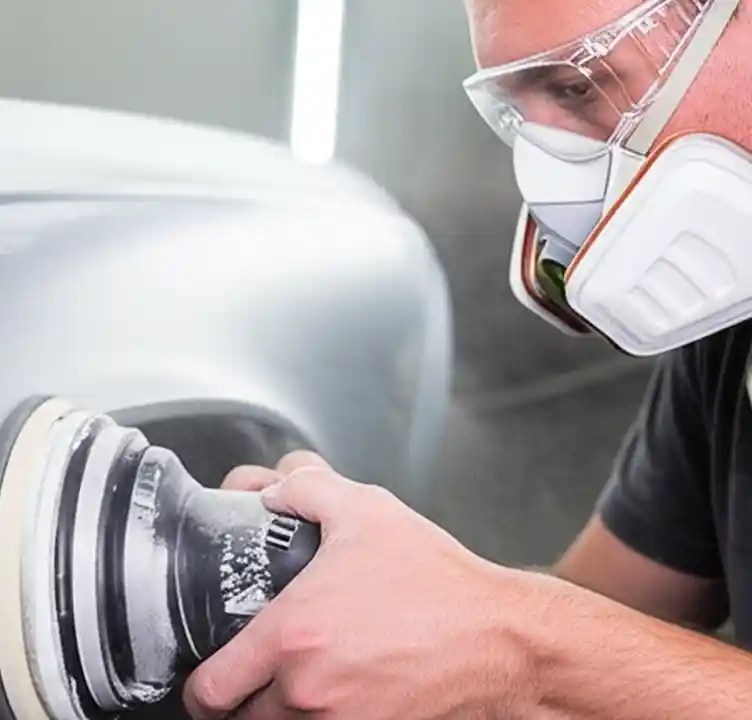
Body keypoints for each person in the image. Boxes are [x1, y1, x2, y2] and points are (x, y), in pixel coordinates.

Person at [182, 0, 752, 717]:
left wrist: (513, 638)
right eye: (519, 117)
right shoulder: (730, 336)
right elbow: (612, 618)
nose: (546, 177)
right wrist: (384, 606)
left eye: (580, 87)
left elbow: (551, 649)